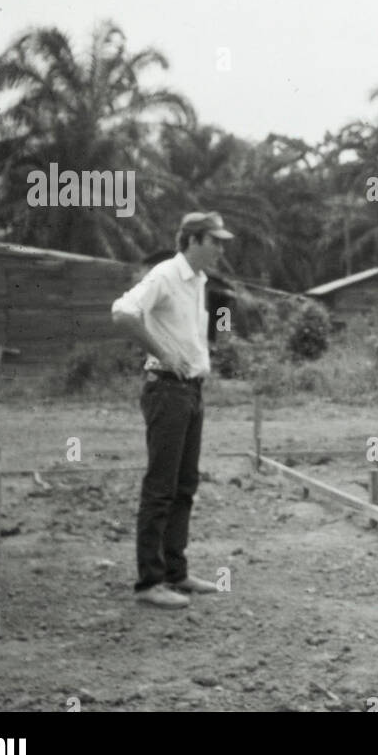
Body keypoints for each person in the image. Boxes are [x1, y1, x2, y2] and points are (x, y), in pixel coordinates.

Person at [110, 212, 234, 609]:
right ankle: (149, 582)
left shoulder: (198, 282)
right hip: (166, 389)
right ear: (193, 240)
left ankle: (175, 573)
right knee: (161, 488)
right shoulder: (166, 275)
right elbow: (122, 312)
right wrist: (162, 352)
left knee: (184, 486)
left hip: (191, 392)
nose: (220, 248)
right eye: (214, 241)